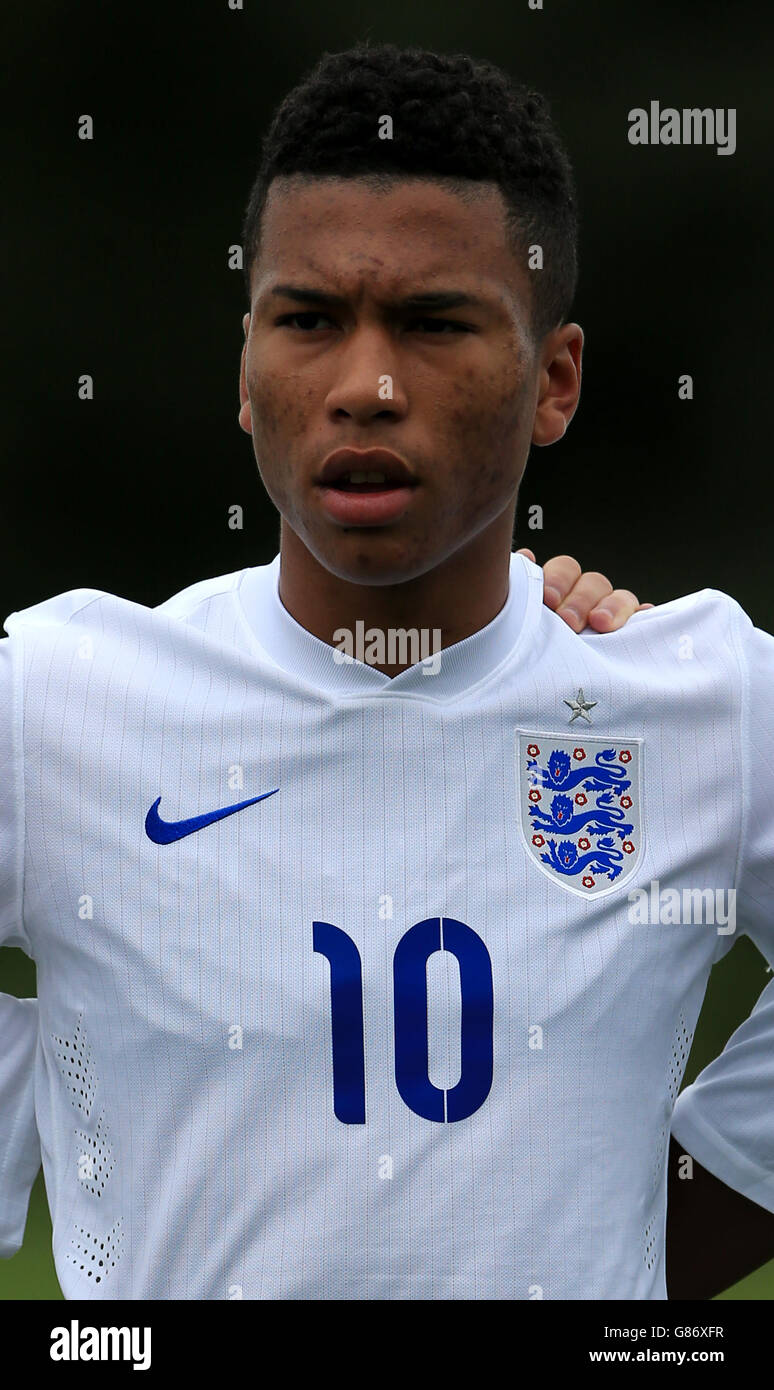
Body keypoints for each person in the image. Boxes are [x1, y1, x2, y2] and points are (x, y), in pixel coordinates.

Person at [1, 41, 773, 1300]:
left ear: (554, 383)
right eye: (307, 320)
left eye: (433, 325)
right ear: (246, 372)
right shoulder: (53, 698)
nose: (365, 387)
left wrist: (648, 1251)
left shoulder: (693, 700)